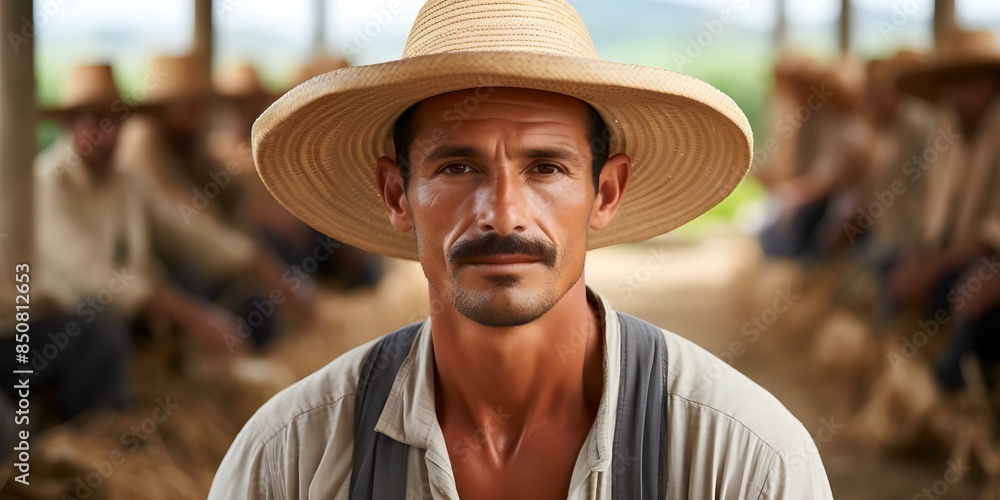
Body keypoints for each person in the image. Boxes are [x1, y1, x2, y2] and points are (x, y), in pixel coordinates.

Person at [211, 1, 833, 498]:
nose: (502, 213)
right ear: (397, 194)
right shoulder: (287, 459)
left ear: (606, 191)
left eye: (545, 167)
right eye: (457, 167)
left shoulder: (747, 460)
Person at [35, 64, 310, 354]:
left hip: (141, 304)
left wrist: (259, 266)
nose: (110, 136)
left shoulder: (126, 180)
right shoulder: (47, 184)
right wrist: (193, 316)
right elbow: (92, 277)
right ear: (69, 124)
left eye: (116, 122)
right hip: (81, 316)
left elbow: (186, 231)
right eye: (98, 123)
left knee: (235, 298)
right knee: (103, 334)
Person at [892, 30, 1000, 388]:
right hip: (959, 253)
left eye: (971, 81)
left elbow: (991, 233)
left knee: (964, 294)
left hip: (983, 259)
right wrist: (918, 256)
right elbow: (931, 213)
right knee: (897, 275)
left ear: (992, 83)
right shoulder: (949, 134)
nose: (959, 93)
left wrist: (932, 267)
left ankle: (945, 389)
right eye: (952, 83)